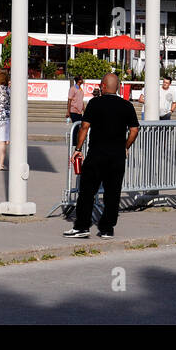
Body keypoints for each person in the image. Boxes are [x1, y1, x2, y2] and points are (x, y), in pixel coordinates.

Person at [65, 73, 139, 241]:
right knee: (113, 193)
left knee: (87, 191)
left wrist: (78, 148)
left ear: (104, 86)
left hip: (96, 155)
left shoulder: (95, 103)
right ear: (118, 87)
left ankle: (82, 226)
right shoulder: (127, 105)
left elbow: (84, 127)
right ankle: (107, 229)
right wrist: (125, 147)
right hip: (117, 156)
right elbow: (134, 130)